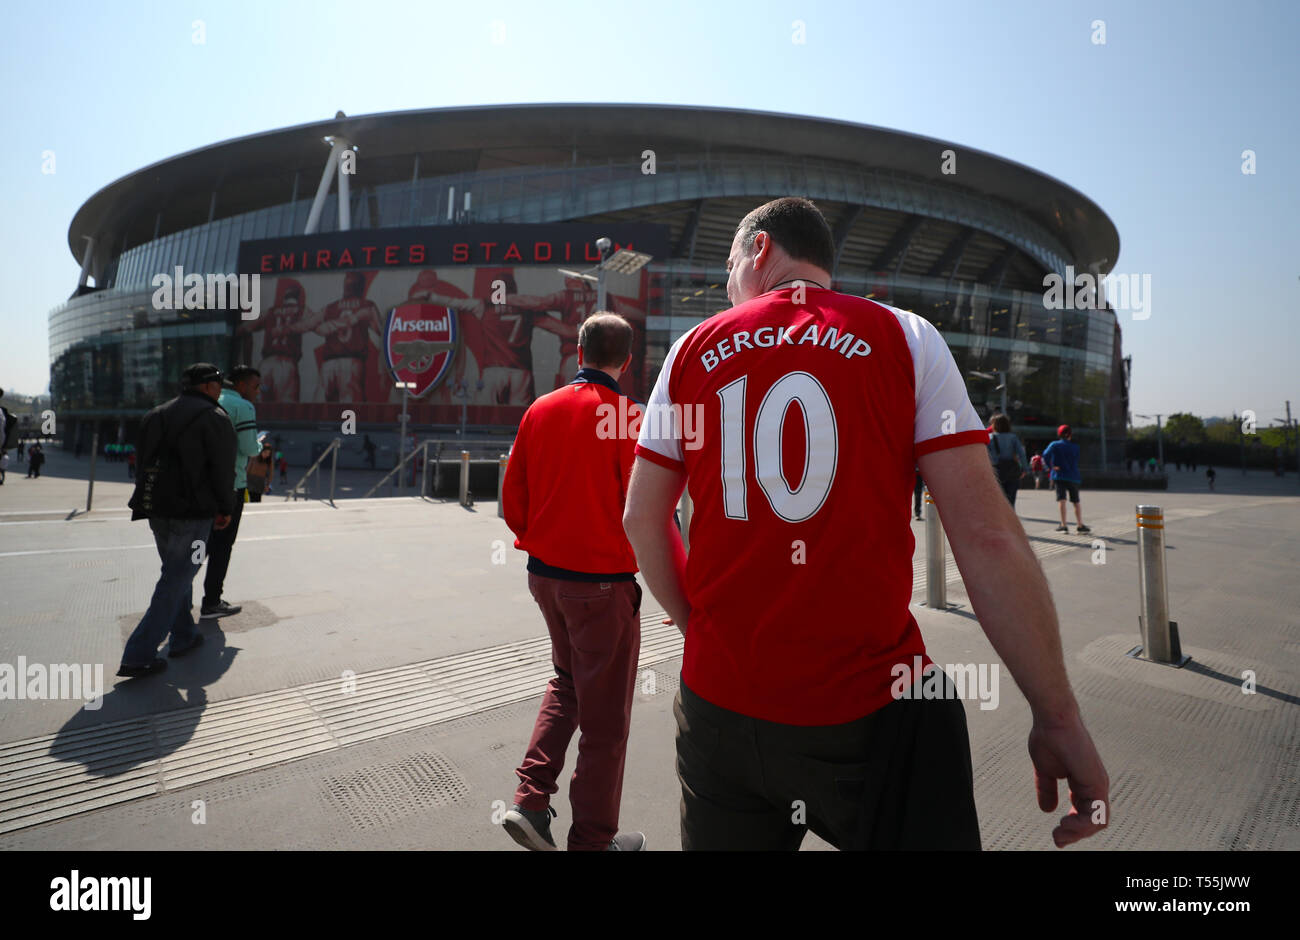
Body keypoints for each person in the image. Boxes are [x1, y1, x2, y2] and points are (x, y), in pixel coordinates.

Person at [624, 197, 1108, 850]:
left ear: (759, 251)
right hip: (869, 717)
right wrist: (1058, 716)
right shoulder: (906, 338)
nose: (728, 284)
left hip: (721, 712)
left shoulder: (689, 353)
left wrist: (696, 626)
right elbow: (987, 536)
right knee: (932, 712)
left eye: (729, 265)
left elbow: (641, 517)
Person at [500, 312, 646, 853]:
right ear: (626, 361)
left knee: (567, 682)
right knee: (607, 724)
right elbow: (642, 510)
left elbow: (513, 500)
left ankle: (530, 802)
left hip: (545, 577)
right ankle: (593, 841)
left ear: (577, 351)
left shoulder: (541, 408)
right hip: (602, 585)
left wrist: (545, 541)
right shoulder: (628, 418)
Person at [118, 363, 236, 678]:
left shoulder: (155, 414)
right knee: (176, 578)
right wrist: (225, 508)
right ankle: (138, 654)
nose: (220, 390)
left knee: (176, 571)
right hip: (193, 513)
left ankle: (183, 636)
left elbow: (141, 464)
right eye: (219, 384)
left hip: (156, 509)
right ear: (210, 386)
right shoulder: (216, 418)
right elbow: (223, 471)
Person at [201, 365, 261, 619]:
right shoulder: (243, 407)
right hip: (231, 485)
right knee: (222, 545)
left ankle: (176, 599)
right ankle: (212, 601)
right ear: (243, 385)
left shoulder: (212, 401)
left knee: (198, 544)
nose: (257, 392)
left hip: (203, 483)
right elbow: (249, 448)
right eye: (256, 387)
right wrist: (259, 444)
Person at [1042, 425, 1090, 534]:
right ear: (1070, 434)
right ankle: (1080, 525)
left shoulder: (1054, 445)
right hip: (1073, 476)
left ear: (1059, 434)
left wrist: (1051, 467)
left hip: (1059, 475)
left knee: (1062, 500)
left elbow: (1045, 455)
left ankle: (1063, 525)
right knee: (1076, 501)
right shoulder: (1075, 447)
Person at [987, 413, 1029, 507]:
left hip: (996, 472)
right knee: (1011, 502)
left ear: (994, 425)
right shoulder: (1013, 437)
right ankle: (1010, 519)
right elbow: (1021, 454)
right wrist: (1025, 469)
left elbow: (986, 456)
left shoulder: (990, 438)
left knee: (998, 502)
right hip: (1012, 471)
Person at [245, 437, 274, 503]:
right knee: (251, 498)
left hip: (260, 482)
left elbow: (271, 473)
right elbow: (249, 468)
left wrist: (268, 484)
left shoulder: (269, 461)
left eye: (268, 453)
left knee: (257, 499)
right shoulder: (255, 456)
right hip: (251, 480)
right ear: (261, 451)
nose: (267, 455)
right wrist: (245, 478)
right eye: (265, 452)